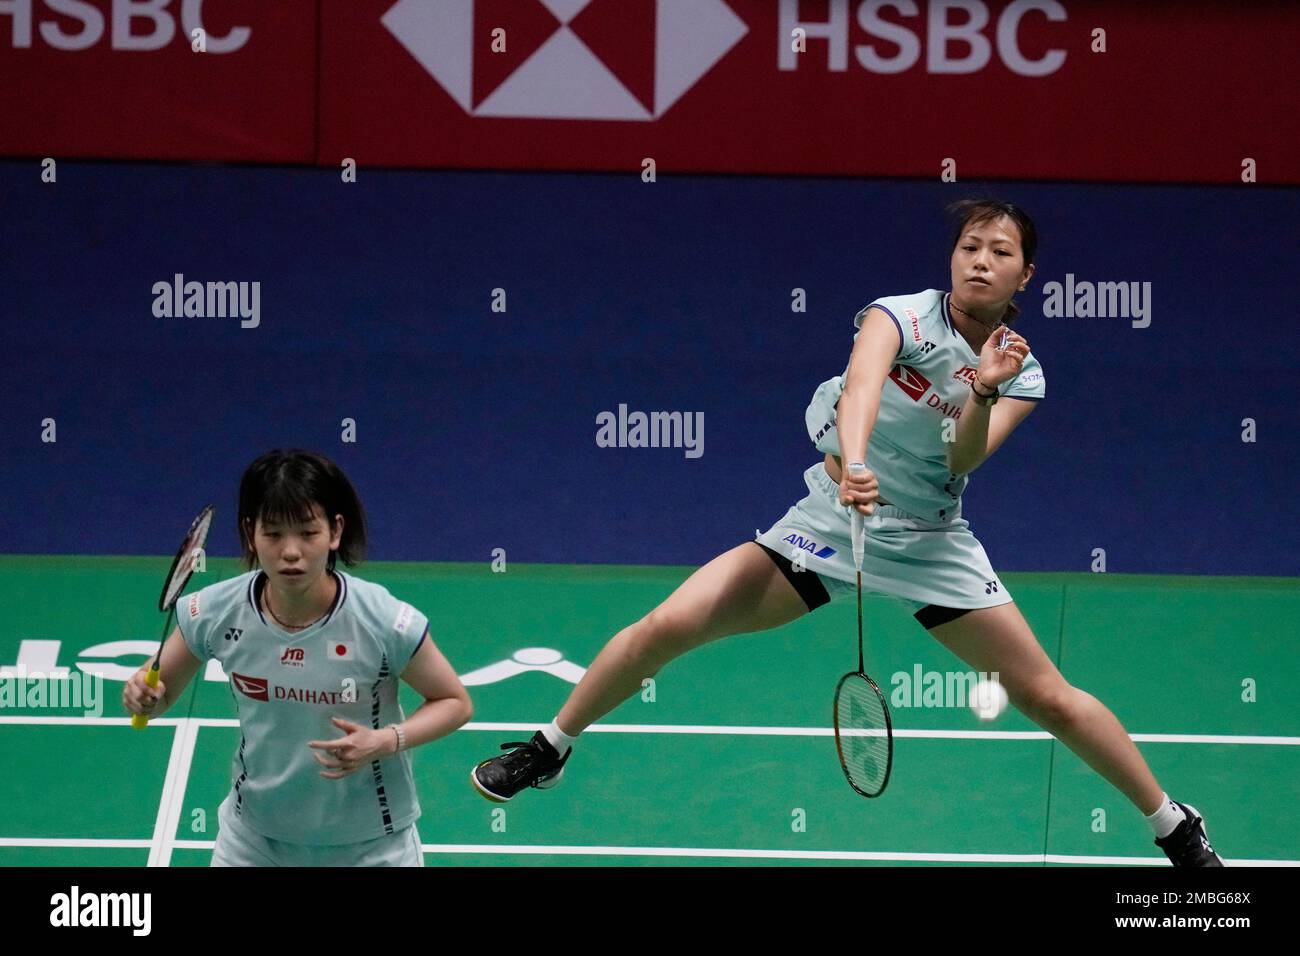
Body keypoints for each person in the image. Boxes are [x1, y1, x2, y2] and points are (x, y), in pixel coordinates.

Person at [469, 199, 1224, 867]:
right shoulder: (896, 315)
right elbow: (862, 385)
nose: (980, 261)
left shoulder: (1020, 372)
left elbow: (965, 457)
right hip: (832, 518)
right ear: (951, 259)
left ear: (1026, 275)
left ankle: (1172, 826)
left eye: (1000, 252)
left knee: (1050, 700)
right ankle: (549, 748)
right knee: (669, 623)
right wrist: (853, 464)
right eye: (969, 247)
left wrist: (985, 390)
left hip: (930, 541)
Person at [123, 449, 472, 866]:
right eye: (273, 534)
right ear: (250, 533)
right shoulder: (215, 611)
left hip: (371, 845)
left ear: (334, 532)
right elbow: (158, 693)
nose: (291, 552)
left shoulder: (380, 619)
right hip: (254, 840)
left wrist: (383, 741)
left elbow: (455, 702)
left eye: (308, 533)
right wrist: (142, 695)